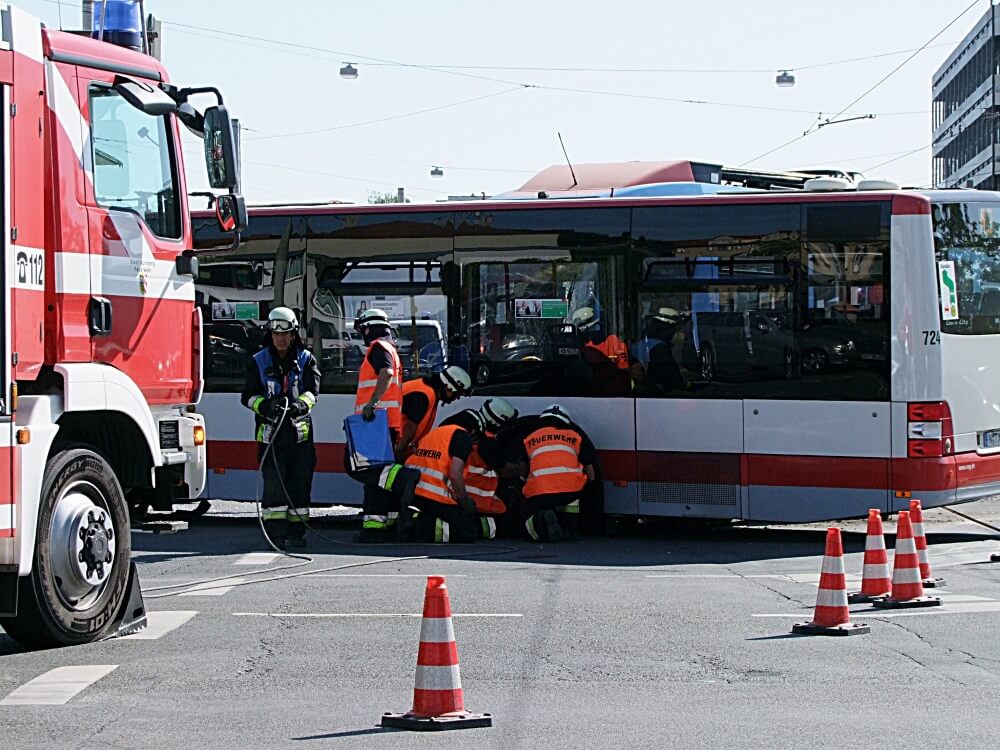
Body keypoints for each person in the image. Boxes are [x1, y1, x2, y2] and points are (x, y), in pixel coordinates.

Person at [242, 306, 320, 549]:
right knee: (274, 485)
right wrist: (265, 406)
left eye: (285, 334)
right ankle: (275, 533)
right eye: (276, 334)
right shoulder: (258, 361)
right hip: (270, 435)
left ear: (293, 334)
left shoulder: (307, 359)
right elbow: (247, 396)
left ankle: (296, 533)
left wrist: (299, 405)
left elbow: (313, 392)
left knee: (300, 483)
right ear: (270, 334)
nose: (281, 339)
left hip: (299, 436)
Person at [349, 307, 413, 542]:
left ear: (367, 328)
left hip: (374, 423)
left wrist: (371, 404)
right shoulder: (392, 349)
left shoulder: (378, 348)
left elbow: (384, 374)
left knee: (370, 474)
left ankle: (373, 529)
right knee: (380, 477)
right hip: (386, 423)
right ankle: (391, 523)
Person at [440, 398, 520, 539]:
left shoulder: (463, 435)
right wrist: (524, 466)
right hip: (479, 502)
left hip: (453, 495)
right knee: (509, 522)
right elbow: (507, 471)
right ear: (498, 423)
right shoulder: (488, 444)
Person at [519, 404, 597, 542]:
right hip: (571, 491)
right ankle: (570, 528)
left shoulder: (529, 438)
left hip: (538, 493)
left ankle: (540, 520)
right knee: (573, 498)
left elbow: (523, 471)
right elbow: (591, 475)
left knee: (526, 515)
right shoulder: (576, 437)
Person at [398, 418, 482, 544]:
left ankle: (414, 526)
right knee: (468, 533)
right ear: (473, 431)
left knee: (431, 516)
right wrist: (464, 502)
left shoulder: (434, 434)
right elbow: (455, 475)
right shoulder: (463, 437)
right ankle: (422, 530)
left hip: (411, 493)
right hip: (435, 496)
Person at [396, 365, 472, 460]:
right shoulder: (424, 395)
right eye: (458, 394)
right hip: (391, 446)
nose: (458, 398)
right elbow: (410, 427)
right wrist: (399, 452)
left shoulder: (426, 391)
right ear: (448, 387)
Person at [571, 306, 631, 395]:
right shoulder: (577, 346)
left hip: (613, 393)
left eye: (596, 326)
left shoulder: (615, 343)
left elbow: (623, 371)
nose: (595, 331)